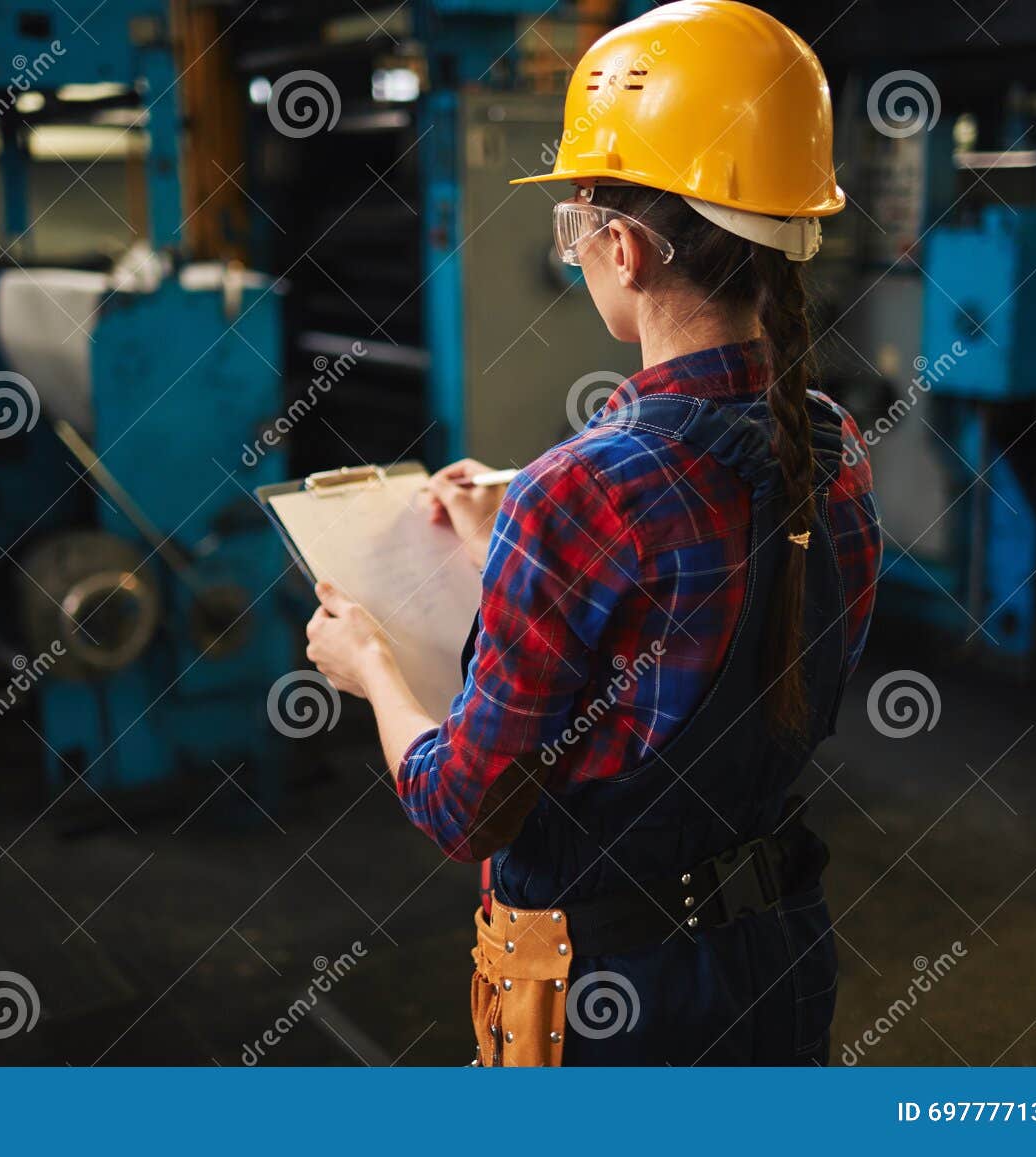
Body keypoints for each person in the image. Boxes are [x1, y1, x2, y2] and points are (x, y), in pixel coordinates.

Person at [303, 0, 881, 1065]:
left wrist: (372, 665)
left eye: (576, 227)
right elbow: (698, 647)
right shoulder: (835, 442)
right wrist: (505, 553)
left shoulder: (579, 492)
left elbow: (462, 807)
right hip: (778, 956)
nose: (575, 253)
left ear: (622, 245)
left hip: (614, 998)